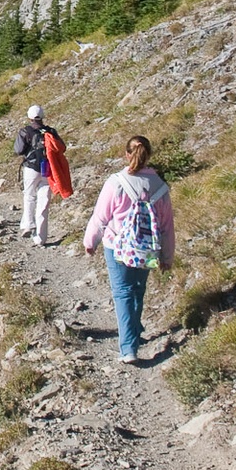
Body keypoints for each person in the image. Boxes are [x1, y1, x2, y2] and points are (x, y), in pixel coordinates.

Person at [84, 135, 175, 363]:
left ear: (126, 154)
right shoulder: (160, 187)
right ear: (149, 154)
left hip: (117, 246)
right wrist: (167, 256)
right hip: (146, 248)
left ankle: (128, 348)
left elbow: (101, 217)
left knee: (123, 292)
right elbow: (166, 227)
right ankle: (133, 332)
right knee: (137, 290)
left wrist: (90, 241)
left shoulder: (116, 183)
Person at [13, 105, 57, 245]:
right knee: (44, 201)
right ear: (42, 116)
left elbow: (18, 150)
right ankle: (41, 238)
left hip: (31, 168)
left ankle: (28, 224)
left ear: (29, 117)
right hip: (48, 169)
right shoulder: (50, 131)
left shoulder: (25, 131)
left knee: (29, 195)